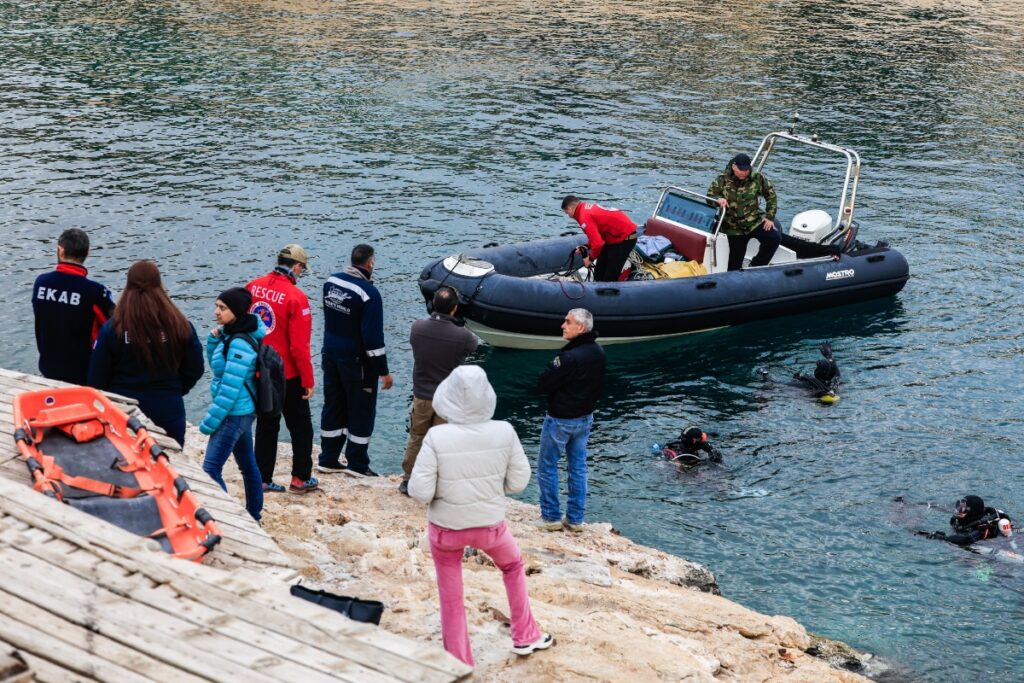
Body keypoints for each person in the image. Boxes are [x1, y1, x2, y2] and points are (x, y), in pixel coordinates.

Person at [408, 365, 552, 667]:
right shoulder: (505, 431)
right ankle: (525, 635)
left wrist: (445, 495)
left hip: (446, 530)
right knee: (512, 566)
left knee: (451, 591)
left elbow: (419, 491)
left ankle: (459, 659)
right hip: (491, 527)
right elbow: (517, 483)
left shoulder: (437, 436)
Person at [88, 261, 204, 447]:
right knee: (170, 468)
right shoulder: (180, 325)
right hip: (168, 410)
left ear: (128, 286)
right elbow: (196, 368)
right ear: (159, 285)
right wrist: (176, 389)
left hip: (124, 412)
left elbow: (96, 378)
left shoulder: (113, 329)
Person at [246, 245, 318, 494]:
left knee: (267, 426)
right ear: (296, 267)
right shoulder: (296, 298)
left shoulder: (252, 287)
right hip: (287, 374)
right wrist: (308, 379)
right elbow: (299, 346)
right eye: (301, 269)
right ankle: (300, 478)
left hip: (259, 368)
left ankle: (262, 478)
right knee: (301, 427)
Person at [318, 244, 393, 477]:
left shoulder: (331, 282)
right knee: (361, 409)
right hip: (357, 362)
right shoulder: (369, 293)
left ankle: (328, 458)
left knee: (333, 404)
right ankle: (357, 464)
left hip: (330, 355)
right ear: (370, 262)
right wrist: (384, 371)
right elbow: (372, 339)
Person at [400, 286, 478, 496]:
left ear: (432, 305)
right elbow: (474, 345)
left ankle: (408, 480)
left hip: (422, 395)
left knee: (417, 437)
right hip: (448, 399)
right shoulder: (463, 336)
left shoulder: (417, 328)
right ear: (455, 308)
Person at [199, 287, 265, 522]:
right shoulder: (230, 334)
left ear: (236, 311)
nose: (216, 311)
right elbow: (217, 369)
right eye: (216, 306)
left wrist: (209, 422)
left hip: (234, 413)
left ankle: (229, 520)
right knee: (248, 464)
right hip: (241, 411)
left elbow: (228, 389)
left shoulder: (239, 344)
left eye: (222, 308)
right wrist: (212, 340)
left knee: (209, 470)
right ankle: (254, 515)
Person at [535, 308, 605, 532]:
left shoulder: (569, 357)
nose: (562, 326)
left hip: (561, 419)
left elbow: (544, 383)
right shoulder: (598, 352)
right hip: (585, 418)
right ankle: (575, 519)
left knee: (547, 466)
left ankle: (551, 517)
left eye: (568, 322)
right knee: (578, 467)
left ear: (581, 328)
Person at [33, 228, 115, 384]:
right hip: (84, 375)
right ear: (87, 253)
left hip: (48, 369)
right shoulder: (96, 292)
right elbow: (115, 326)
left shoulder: (41, 283)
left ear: (60, 251)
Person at [707, 153, 781, 271]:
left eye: (746, 170)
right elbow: (709, 197)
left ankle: (757, 265)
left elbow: (771, 196)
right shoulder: (722, 179)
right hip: (733, 228)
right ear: (734, 167)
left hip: (753, 222)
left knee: (774, 237)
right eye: (741, 170)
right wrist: (718, 200)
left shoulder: (757, 178)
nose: (744, 172)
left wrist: (770, 217)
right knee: (734, 264)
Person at [561, 195, 638, 282]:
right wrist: (587, 246)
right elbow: (597, 237)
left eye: (567, 213)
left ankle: (610, 290)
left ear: (570, 208)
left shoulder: (584, 217)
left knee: (609, 277)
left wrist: (590, 259)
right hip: (613, 238)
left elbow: (598, 244)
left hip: (624, 239)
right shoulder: (585, 209)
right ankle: (598, 288)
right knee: (599, 272)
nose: (569, 216)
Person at [919, 496, 1013, 546]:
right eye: (960, 507)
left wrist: (943, 538)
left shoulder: (982, 528)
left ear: (972, 511)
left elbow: (966, 539)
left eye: (963, 509)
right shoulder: (963, 519)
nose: (959, 510)